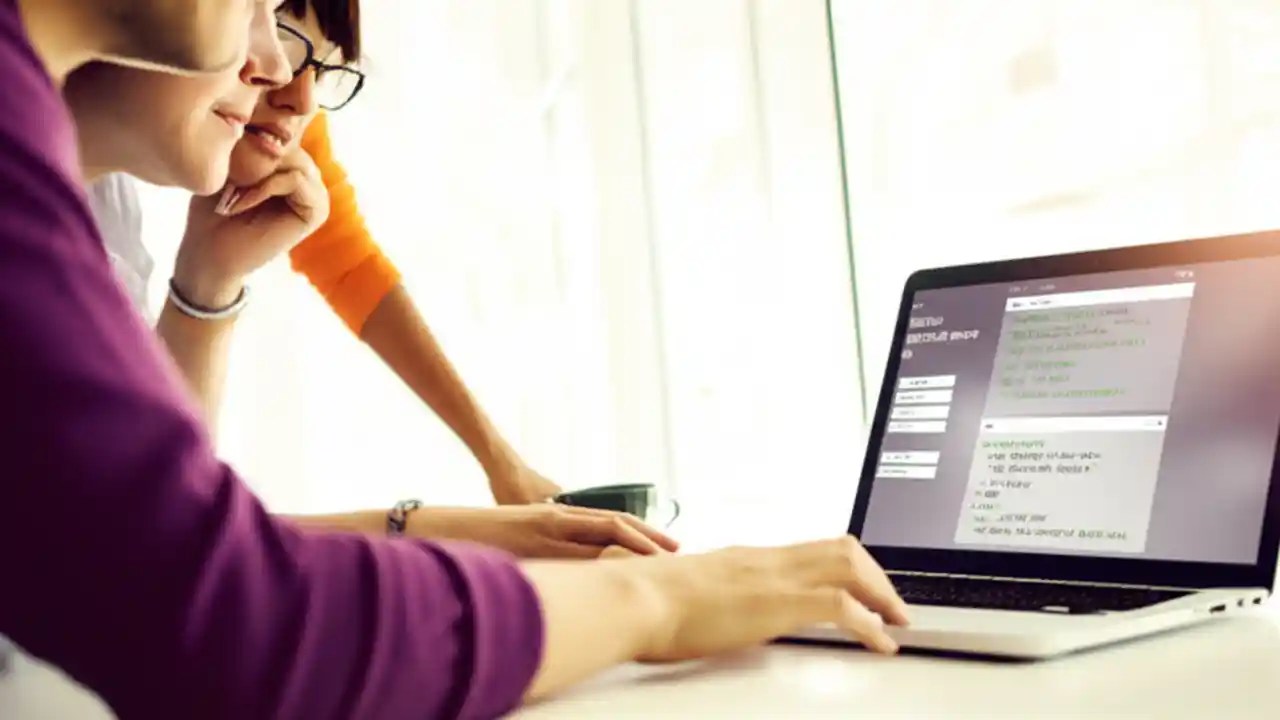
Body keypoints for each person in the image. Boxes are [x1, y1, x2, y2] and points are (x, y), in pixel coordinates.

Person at [0, 0, 910, 717]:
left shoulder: (85, 184)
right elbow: (226, 622)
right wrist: (660, 601)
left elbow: (147, 553)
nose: (280, 73)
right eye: (267, 14)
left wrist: (439, 517)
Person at [65, 0, 678, 561]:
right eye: (258, 16)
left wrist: (208, 284)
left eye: (326, 74)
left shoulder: (115, 203)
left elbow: (156, 530)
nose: (295, 92)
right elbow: (148, 545)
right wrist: (423, 527)